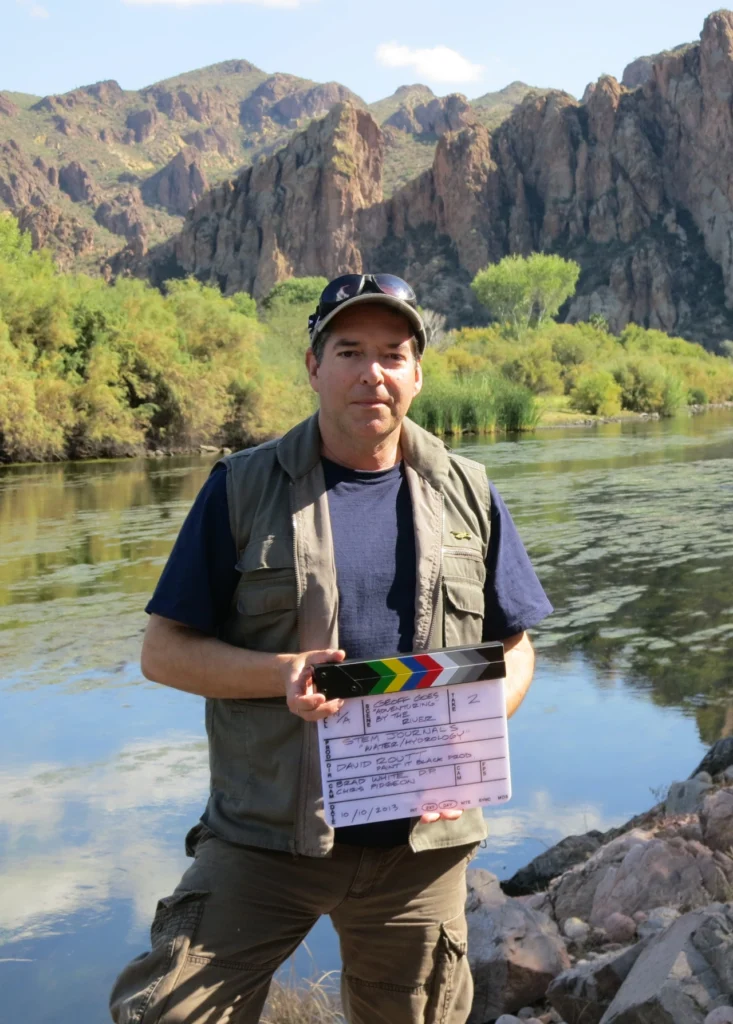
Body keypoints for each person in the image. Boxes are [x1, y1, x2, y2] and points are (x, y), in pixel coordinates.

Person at [110, 273, 553, 1024]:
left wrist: (471, 730)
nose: (371, 373)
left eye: (392, 354)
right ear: (314, 366)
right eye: (349, 351)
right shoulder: (241, 488)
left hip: (420, 849)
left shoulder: (468, 490)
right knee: (167, 1012)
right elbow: (164, 652)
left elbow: (515, 644)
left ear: (417, 373)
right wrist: (281, 673)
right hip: (264, 836)